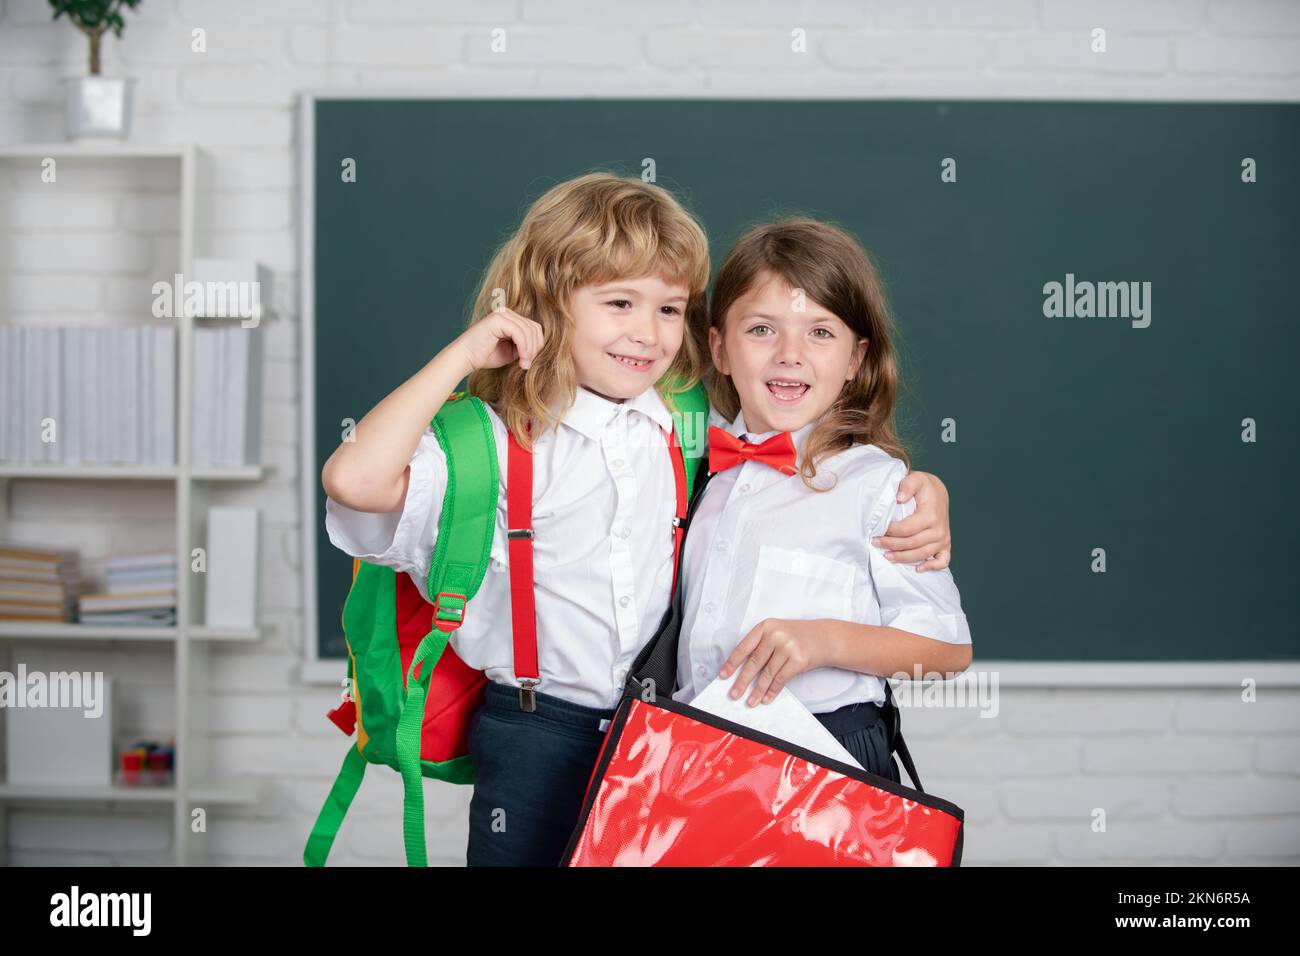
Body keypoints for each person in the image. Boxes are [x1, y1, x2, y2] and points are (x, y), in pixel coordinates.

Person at [323, 176, 954, 865]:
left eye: (669, 309)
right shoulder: (494, 446)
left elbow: (804, 459)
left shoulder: (686, 430)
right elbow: (355, 481)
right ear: (545, 304)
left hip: (671, 740)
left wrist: (923, 487)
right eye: (620, 302)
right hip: (539, 735)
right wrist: (464, 357)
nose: (646, 333)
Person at [673, 218, 972, 784]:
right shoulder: (692, 468)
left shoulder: (878, 487)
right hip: (697, 754)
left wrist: (823, 639)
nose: (790, 354)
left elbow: (947, 648)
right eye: (762, 329)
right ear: (720, 348)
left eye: (820, 333)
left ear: (856, 360)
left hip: (829, 752)